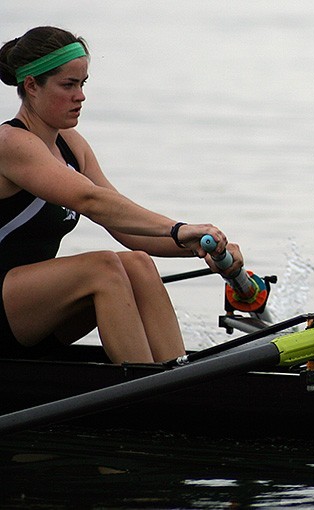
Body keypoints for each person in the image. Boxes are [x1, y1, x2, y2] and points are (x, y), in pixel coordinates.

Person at [0, 26, 245, 364]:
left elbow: (128, 230)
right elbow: (92, 202)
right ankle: (147, 396)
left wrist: (201, 245)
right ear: (31, 86)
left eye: (82, 84)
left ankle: (177, 378)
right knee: (103, 266)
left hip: (35, 312)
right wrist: (178, 227)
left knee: (138, 263)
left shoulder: (72, 146)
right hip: (8, 309)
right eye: (68, 85)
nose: (80, 96)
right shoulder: (11, 143)